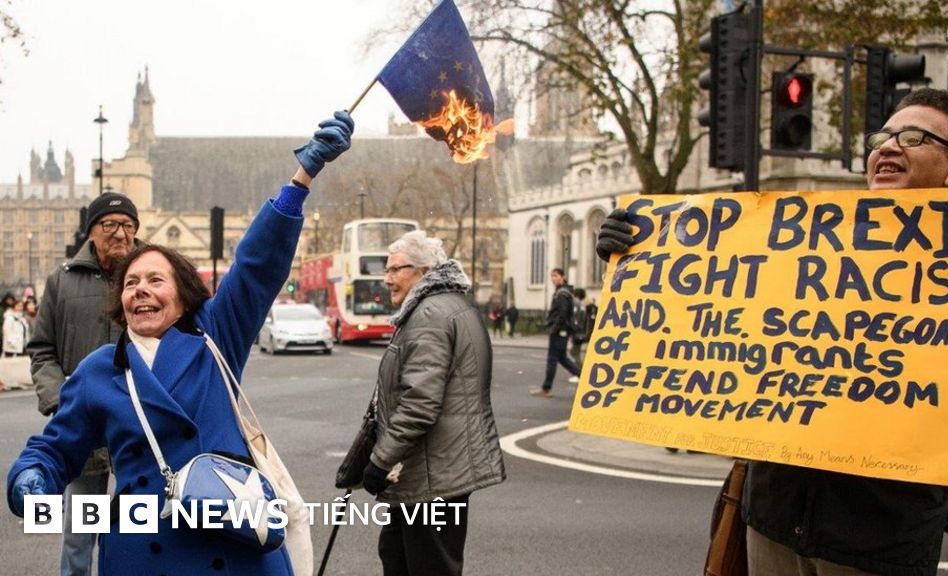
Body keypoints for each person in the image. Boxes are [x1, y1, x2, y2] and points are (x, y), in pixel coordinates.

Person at [597, 88, 948, 575]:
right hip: (773, 522)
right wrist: (635, 261)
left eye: (913, 138)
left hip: (876, 540)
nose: (889, 147)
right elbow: (706, 322)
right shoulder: (805, 241)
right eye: (882, 137)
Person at [8, 110, 354, 575]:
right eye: (131, 283)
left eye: (155, 280)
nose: (140, 290)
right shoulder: (99, 370)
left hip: (231, 542)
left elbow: (255, 267)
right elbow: (55, 448)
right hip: (142, 551)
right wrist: (31, 476)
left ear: (184, 293)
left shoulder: (214, 335)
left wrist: (301, 178)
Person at [364, 229, 506, 576]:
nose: (387, 279)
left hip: (433, 475)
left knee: (425, 565)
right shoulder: (451, 305)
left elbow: (420, 403)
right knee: (398, 555)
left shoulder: (429, 315)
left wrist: (380, 461)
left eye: (396, 269)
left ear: (424, 271)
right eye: (387, 270)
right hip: (437, 469)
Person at [24, 191, 142, 576]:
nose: (120, 233)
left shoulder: (151, 274)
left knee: (138, 533)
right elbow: (42, 349)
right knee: (78, 535)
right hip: (84, 430)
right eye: (110, 225)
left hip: (137, 428)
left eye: (128, 225)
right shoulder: (62, 280)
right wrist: (62, 402)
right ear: (91, 230)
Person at [531, 268, 580, 397]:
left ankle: (546, 388)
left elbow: (562, 314)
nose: (553, 279)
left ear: (563, 277)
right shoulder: (564, 291)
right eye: (552, 276)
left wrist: (554, 328)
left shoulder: (562, 293)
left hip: (560, 331)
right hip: (562, 330)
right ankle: (585, 378)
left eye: (556, 276)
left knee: (552, 359)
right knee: (562, 359)